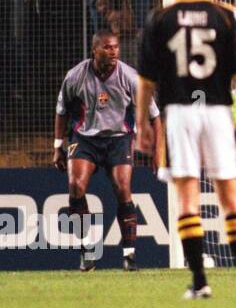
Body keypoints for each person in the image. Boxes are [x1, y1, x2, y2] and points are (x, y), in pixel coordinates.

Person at [135, 0, 236, 299]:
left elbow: (146, 80)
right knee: (231, 197)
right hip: (218, 112)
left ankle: (200, 282)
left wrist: (143, 122)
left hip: (178, 114)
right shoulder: (226, 15)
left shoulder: (160, 18)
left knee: (187, 199)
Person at [54, 30, 161, 272]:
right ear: (95, 50)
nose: (113, 51)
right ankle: (86, 251)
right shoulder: (76, 76)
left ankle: (130, 255)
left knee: (123, 187)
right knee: (76, 186)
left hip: (118, 139)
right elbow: (61, 111)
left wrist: (158, 152)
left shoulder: (130, 77)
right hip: (85, 138)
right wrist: (57, 146)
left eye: (115, 47)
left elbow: (155, 116)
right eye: (107, 48)